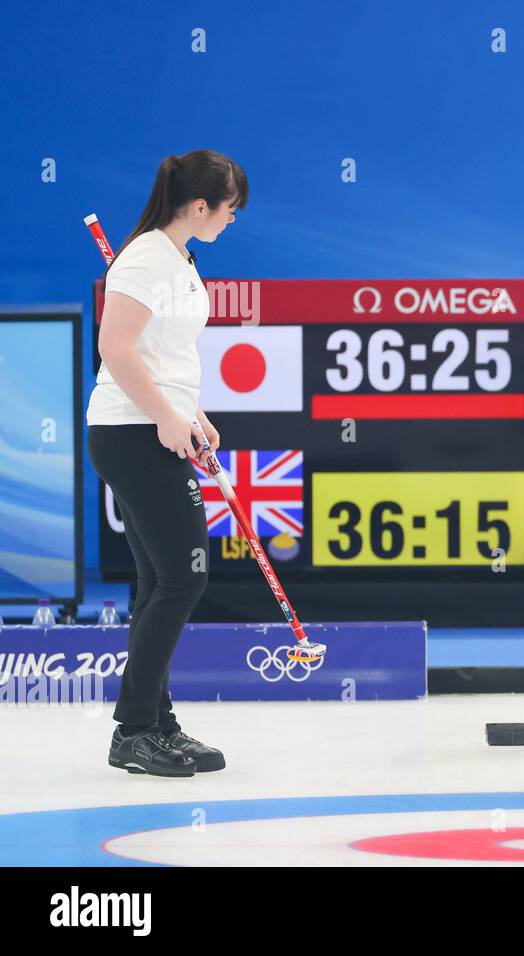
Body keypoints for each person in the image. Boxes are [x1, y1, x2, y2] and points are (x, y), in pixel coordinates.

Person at [87, 150, 247, 776]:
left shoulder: (180, 258)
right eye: (231, 210)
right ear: (200, 205)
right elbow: (115, 347)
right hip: (131, 434)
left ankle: (156, 722)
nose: (233, 221)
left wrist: (191, 411)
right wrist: (163, 416)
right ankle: (133, 732)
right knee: (184, 579)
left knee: (160, 584)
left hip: (157, 428)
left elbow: (165, 353)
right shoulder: (147, 256)